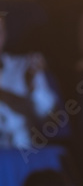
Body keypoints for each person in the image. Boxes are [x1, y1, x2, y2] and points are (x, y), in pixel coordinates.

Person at [0, 10, 57, 150]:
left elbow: (51, 119)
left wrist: (32, 86)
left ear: (5, 34)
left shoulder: (25, 66)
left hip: (21, 154)